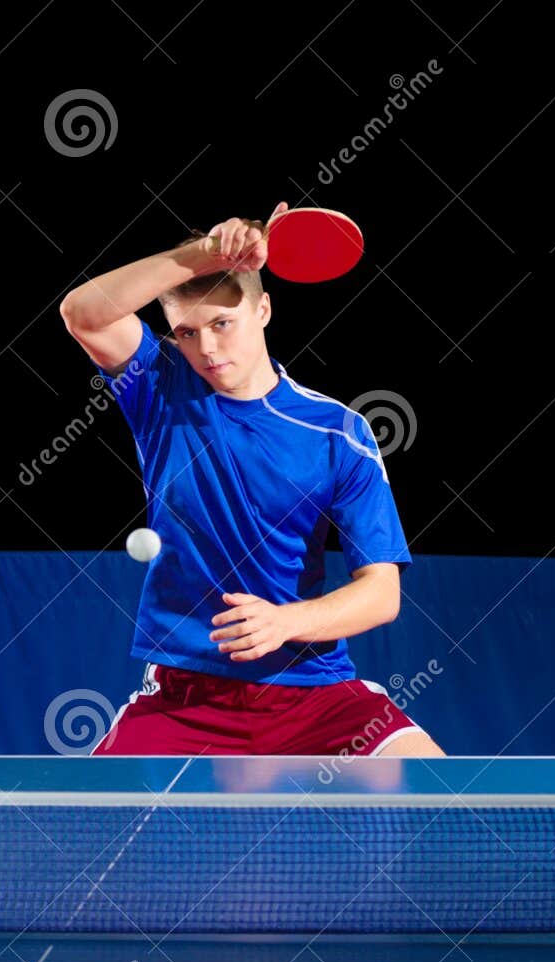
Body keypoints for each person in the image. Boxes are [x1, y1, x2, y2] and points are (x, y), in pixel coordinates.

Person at [58, 203, 444, 758]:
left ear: (263, 310)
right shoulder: (161, 390)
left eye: (222, 324)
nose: (207, 349)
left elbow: (382, 594)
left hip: (315, 692)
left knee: (434, 790)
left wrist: (286, 621)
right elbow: (83, 313)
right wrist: (205, 254)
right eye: (186, 333)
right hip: (184, 696)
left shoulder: (339, 432)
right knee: (96, 833)